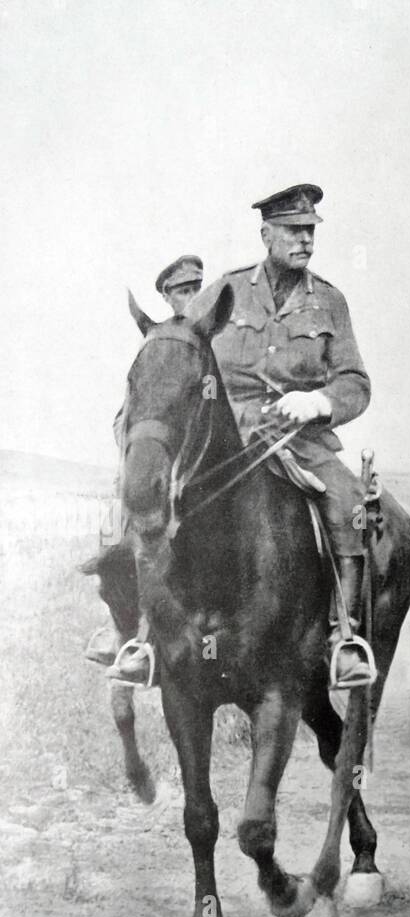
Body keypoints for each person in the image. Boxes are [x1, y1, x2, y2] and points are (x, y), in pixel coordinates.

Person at [110, 184, 375, 689]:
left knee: (349, 503)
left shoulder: (330, 301)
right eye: (294, 231)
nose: (305, 241)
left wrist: (317, 403)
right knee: (148, 503)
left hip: (294, 439)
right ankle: (141, 636)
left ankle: (345, 639)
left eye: (310, 231)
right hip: (223, 438)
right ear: (266, 234)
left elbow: (355, 383)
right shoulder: (225, 290)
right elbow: (180, 346)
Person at [84, 256, 206, 671]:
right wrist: (140, 451)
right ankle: (124, 631)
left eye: (196, 290)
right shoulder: (156, 346)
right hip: (165, 463)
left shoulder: (212, 337)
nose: (190, 299)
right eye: (182, 291)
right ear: (167, 298)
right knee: (115, 533)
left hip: (213, 456)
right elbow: (128, 415)